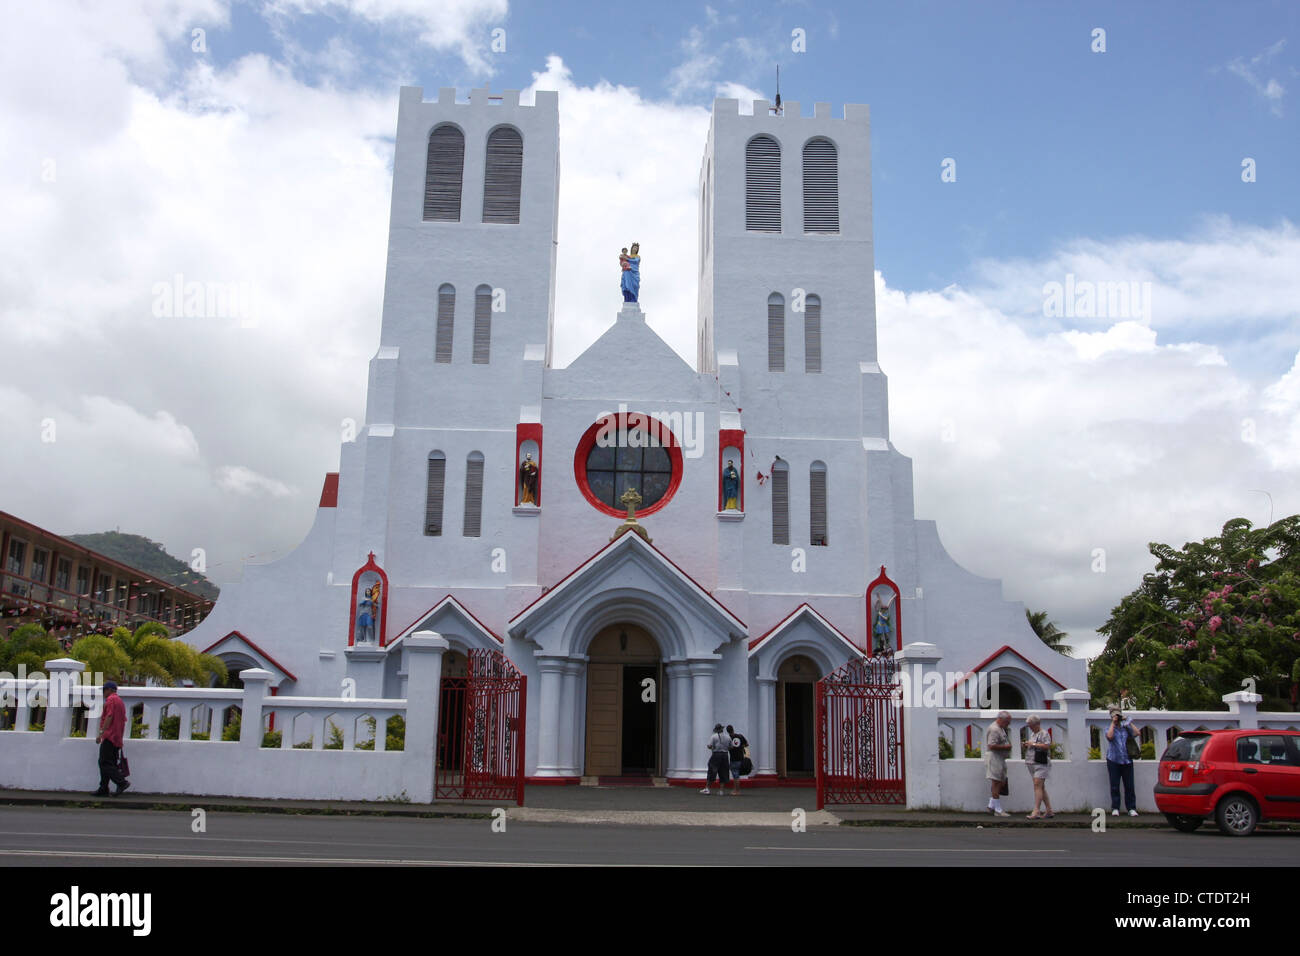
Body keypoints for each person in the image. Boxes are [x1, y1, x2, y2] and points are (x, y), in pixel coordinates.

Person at [93, 680, 130, 797]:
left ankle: (121, 782)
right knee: (110, 763)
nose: (103, 693)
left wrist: (101, 733)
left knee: (104, 762)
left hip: (110, 736)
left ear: (109, 690)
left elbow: (109, 716)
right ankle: (103, 788)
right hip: (117, 737)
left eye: (104, 690)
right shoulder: (119, 701)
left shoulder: (111, 700)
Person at [1105, 706, 1141, 816]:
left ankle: (1131, 808)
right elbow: (1110, 736)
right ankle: (1115, 807)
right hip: (1114, 760)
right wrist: (1113, 723)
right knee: (1114, 785)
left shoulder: (1126, 728)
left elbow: (1137, 733)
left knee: (1129, 785)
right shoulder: (1109, 728)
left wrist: (1128, 721)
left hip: (1127, 760)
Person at [1023, 714, 1054, 819]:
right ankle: (1049, 810)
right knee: (1040, 787)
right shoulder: (1033, 734)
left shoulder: (1044, 733)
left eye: (1031, 725)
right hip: (1032, 762)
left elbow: (1046, 746)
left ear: (1036, 724)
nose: (1030, 727)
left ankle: (1036, 811)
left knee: (1037, 785)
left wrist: (1033, 744)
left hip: (1041, 762)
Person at [984, 711, 1012, 815]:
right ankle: (998, 810)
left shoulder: (1000, 728)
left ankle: (991, 806)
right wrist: (1006, 747)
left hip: (1000, 758)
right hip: (995, 757)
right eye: (1007, 721)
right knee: (996, 782)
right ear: (1000, 719)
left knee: (1000, 781)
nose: (1008, 724)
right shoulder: (995, 729)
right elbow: (991, 745)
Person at [701, 723, 732, 794]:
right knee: (723, 772)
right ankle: (721, 790)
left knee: (712, 770)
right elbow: (731, 747)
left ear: (716, 730)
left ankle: (707, 788)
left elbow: (709, 746)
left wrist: (713, 748)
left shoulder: (714, 736)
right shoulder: (728, 737)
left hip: (716, 754)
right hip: (725, 755)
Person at [726, 724, 749, 795]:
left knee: (735, 776)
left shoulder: (728, 738)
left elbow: (728, 748)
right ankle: (736, 790)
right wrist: (741, 747)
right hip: (740, 758)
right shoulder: (740, 736)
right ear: (733, 729)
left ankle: (736, 791)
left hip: (733, 758)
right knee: (737, 775)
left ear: (727, 731)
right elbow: (747, 744)